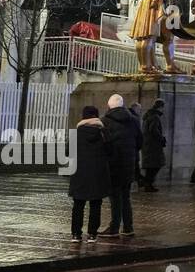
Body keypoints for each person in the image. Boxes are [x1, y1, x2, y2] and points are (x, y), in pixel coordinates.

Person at [100, 94, 140, 237]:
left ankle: (114, 227)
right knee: (126, 196)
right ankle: (128, 227)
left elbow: (103, 145)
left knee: (115, 198)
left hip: (113, 165)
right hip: (129, 164)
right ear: (123, 105)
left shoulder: (104, 122)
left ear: (109, 106)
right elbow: (140, 142)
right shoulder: (134, 121)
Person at [69, 106, 110, 243]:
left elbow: (68, 153)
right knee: (95, 205)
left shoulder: (76, 134)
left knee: (78, 205)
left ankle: (76, 234)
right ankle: (92, 234)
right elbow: (110, 151)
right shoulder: (103, 133)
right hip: (97, 174)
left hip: (79, 173)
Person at [139, 99, 167, 191]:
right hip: (153, 145)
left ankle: (147, 184)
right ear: (160, 107)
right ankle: (147, 183)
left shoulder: (148, 115)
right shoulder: (155, 117)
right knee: (155, 165)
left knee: (151, 167)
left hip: (148, 144)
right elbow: (154, 130)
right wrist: (161, 138)